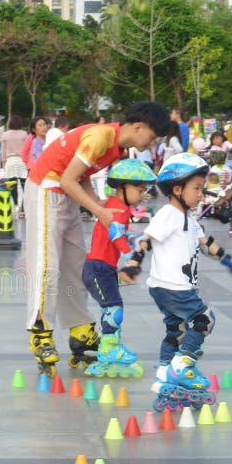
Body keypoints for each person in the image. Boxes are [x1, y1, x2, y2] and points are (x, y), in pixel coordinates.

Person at [24, 101, 170, 378]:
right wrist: (99, 210)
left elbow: (83, 177)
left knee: (77, 263)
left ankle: (80, 329)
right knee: (47, 263)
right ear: (138, 127)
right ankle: (40, 331)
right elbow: (68, 179)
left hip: (66, 195)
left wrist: (99, 203)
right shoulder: (101, 136)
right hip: (46, 188)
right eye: (151, 138)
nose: (151, 144)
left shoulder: (117, 146)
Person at [124, 153, 232, 411]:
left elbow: (207, 245)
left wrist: (229, 262)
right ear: (177, 189)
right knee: (205, 320)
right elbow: (145, 239)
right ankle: (182, 367)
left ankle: (164, 375)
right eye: (196, 189)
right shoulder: (168, 214)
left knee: (175, 330)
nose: (201, 194)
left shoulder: (189, 219)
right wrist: (134, 265)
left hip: (166, 288)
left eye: (202, 189)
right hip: (173, 287)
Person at [81, 159, 156, 378]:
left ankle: (113, 345)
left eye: (144, 190)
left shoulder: (116, 206)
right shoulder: (118, 209)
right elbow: (115, 233)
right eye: (139, 189)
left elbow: (118, 234)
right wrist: (128, 254)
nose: (142, 194)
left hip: (102, 267)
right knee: (114, 309)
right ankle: (108, 350)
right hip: (98, 267)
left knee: (112, 307)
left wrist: (136, 239)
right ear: (122, 187)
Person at [1, 115, 29, 217]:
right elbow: (27, 150)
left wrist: (3, 163)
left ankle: (16, 205)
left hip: (10, 161)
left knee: (12, 185)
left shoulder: (5, 135)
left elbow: (3, 150)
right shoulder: (24, 134)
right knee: (24, 185)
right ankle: (24, 208)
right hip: (22, 161)